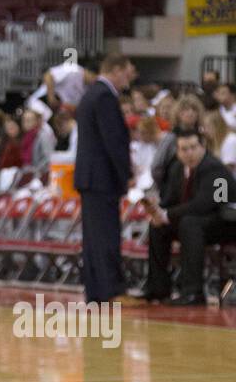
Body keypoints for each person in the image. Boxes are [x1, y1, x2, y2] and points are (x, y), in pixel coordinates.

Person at [139, 130, 236, 305]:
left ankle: (193, 292)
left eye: (193, 147)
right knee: (157, 226)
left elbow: (205, 204)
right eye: (184, 149)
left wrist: (167, 215)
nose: (189, 153)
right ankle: (157, 289)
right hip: (196, 223)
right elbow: (168, 200)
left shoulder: (215, 168)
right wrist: (157, 212)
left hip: (225, 223)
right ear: (177, 151)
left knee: (189, 223)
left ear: (202, 147)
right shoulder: (177, 168)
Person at [74, 53, 137, 305]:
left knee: (93, 238)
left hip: (90, 177)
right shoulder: (104, 96)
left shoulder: (90, 94)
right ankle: (113, 291)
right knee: (107, 235)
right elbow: (114, 141)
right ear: (117, 69)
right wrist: (127, 174)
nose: (129, 79)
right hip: (101, 177)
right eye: (128, 72)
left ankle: (97, 292)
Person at [151, 94, 203, 195]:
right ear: (178, 113)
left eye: (194, 109)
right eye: (185, 110)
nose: (190, 113)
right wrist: (166, 186)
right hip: (174, 191)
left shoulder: (202, 137)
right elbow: (157, 166)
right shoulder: (171, 138)